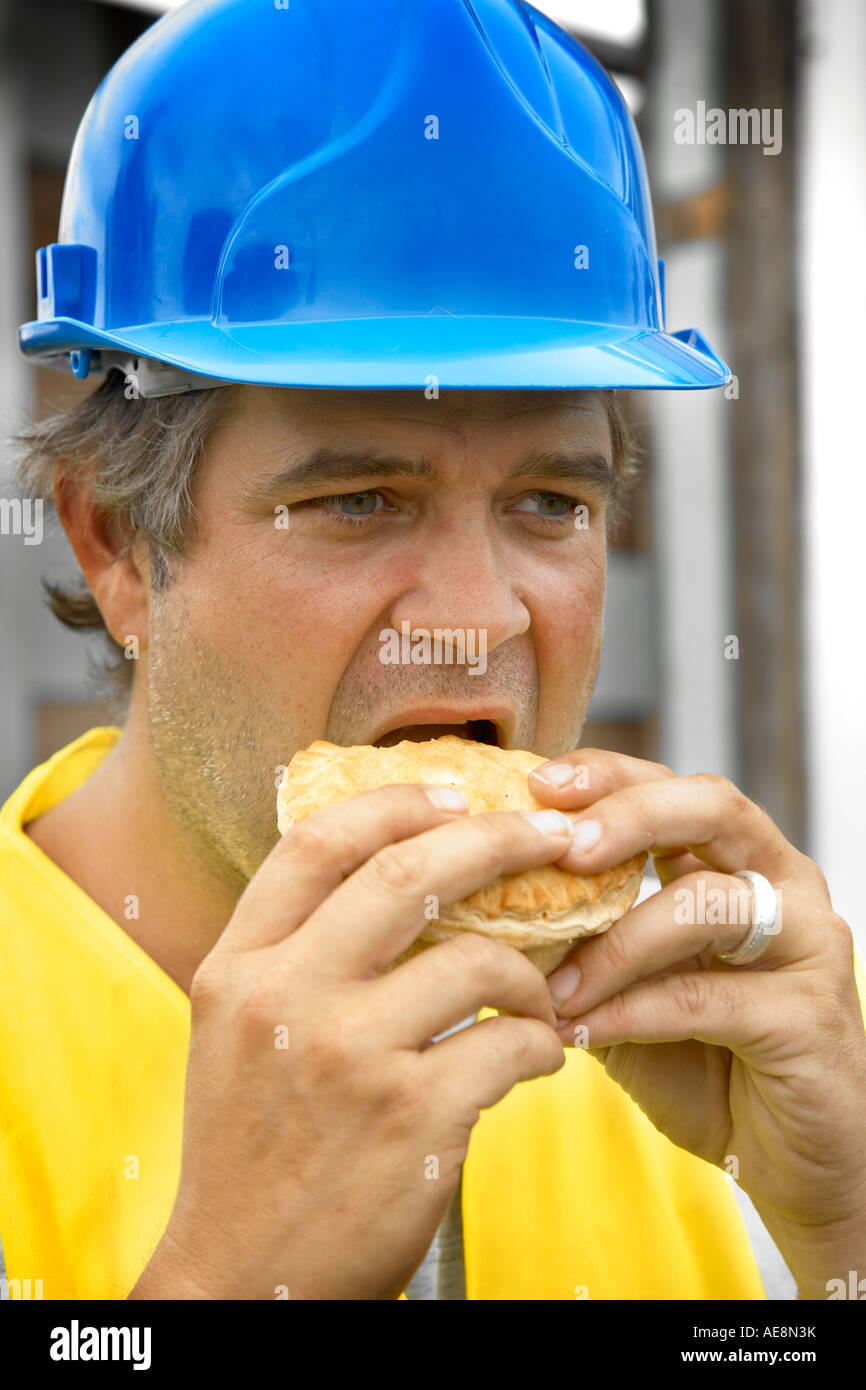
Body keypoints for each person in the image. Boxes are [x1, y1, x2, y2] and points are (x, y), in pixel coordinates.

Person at [3, 0, 864, 1301]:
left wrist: (844, 1234)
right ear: (120, 545)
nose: (479, 615)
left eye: (549, 502)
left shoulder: (703, 1067)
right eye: (360, 499)